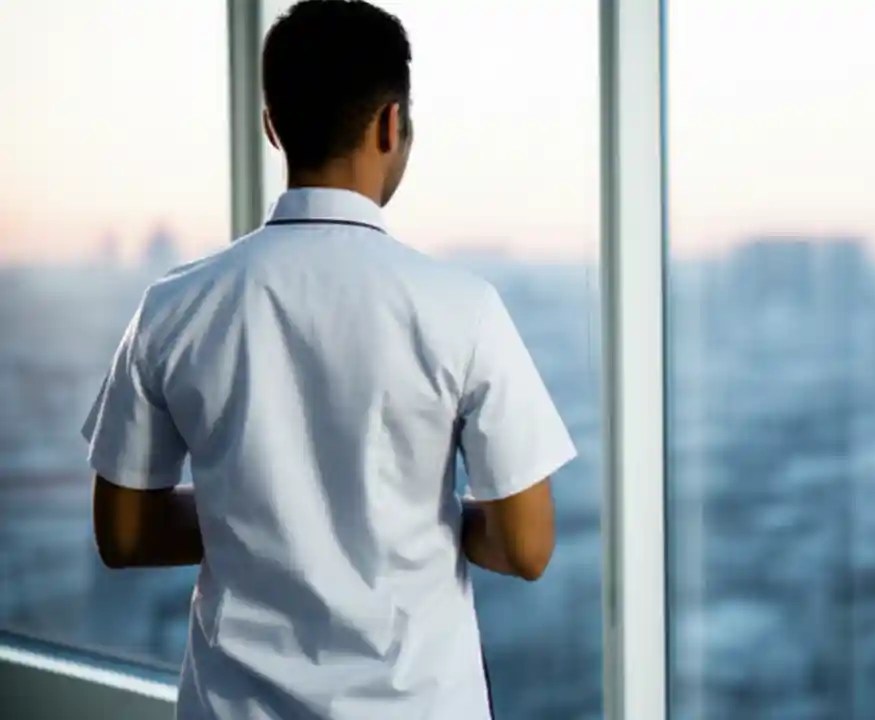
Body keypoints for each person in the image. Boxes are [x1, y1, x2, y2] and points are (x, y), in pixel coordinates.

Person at [79, 1, 575, 717]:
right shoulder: (464, 309)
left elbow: (124, 534)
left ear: (272, 126)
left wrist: (252, 515)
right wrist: (423, 518)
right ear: (391, 125)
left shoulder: (173, 307)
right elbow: (526, 547)